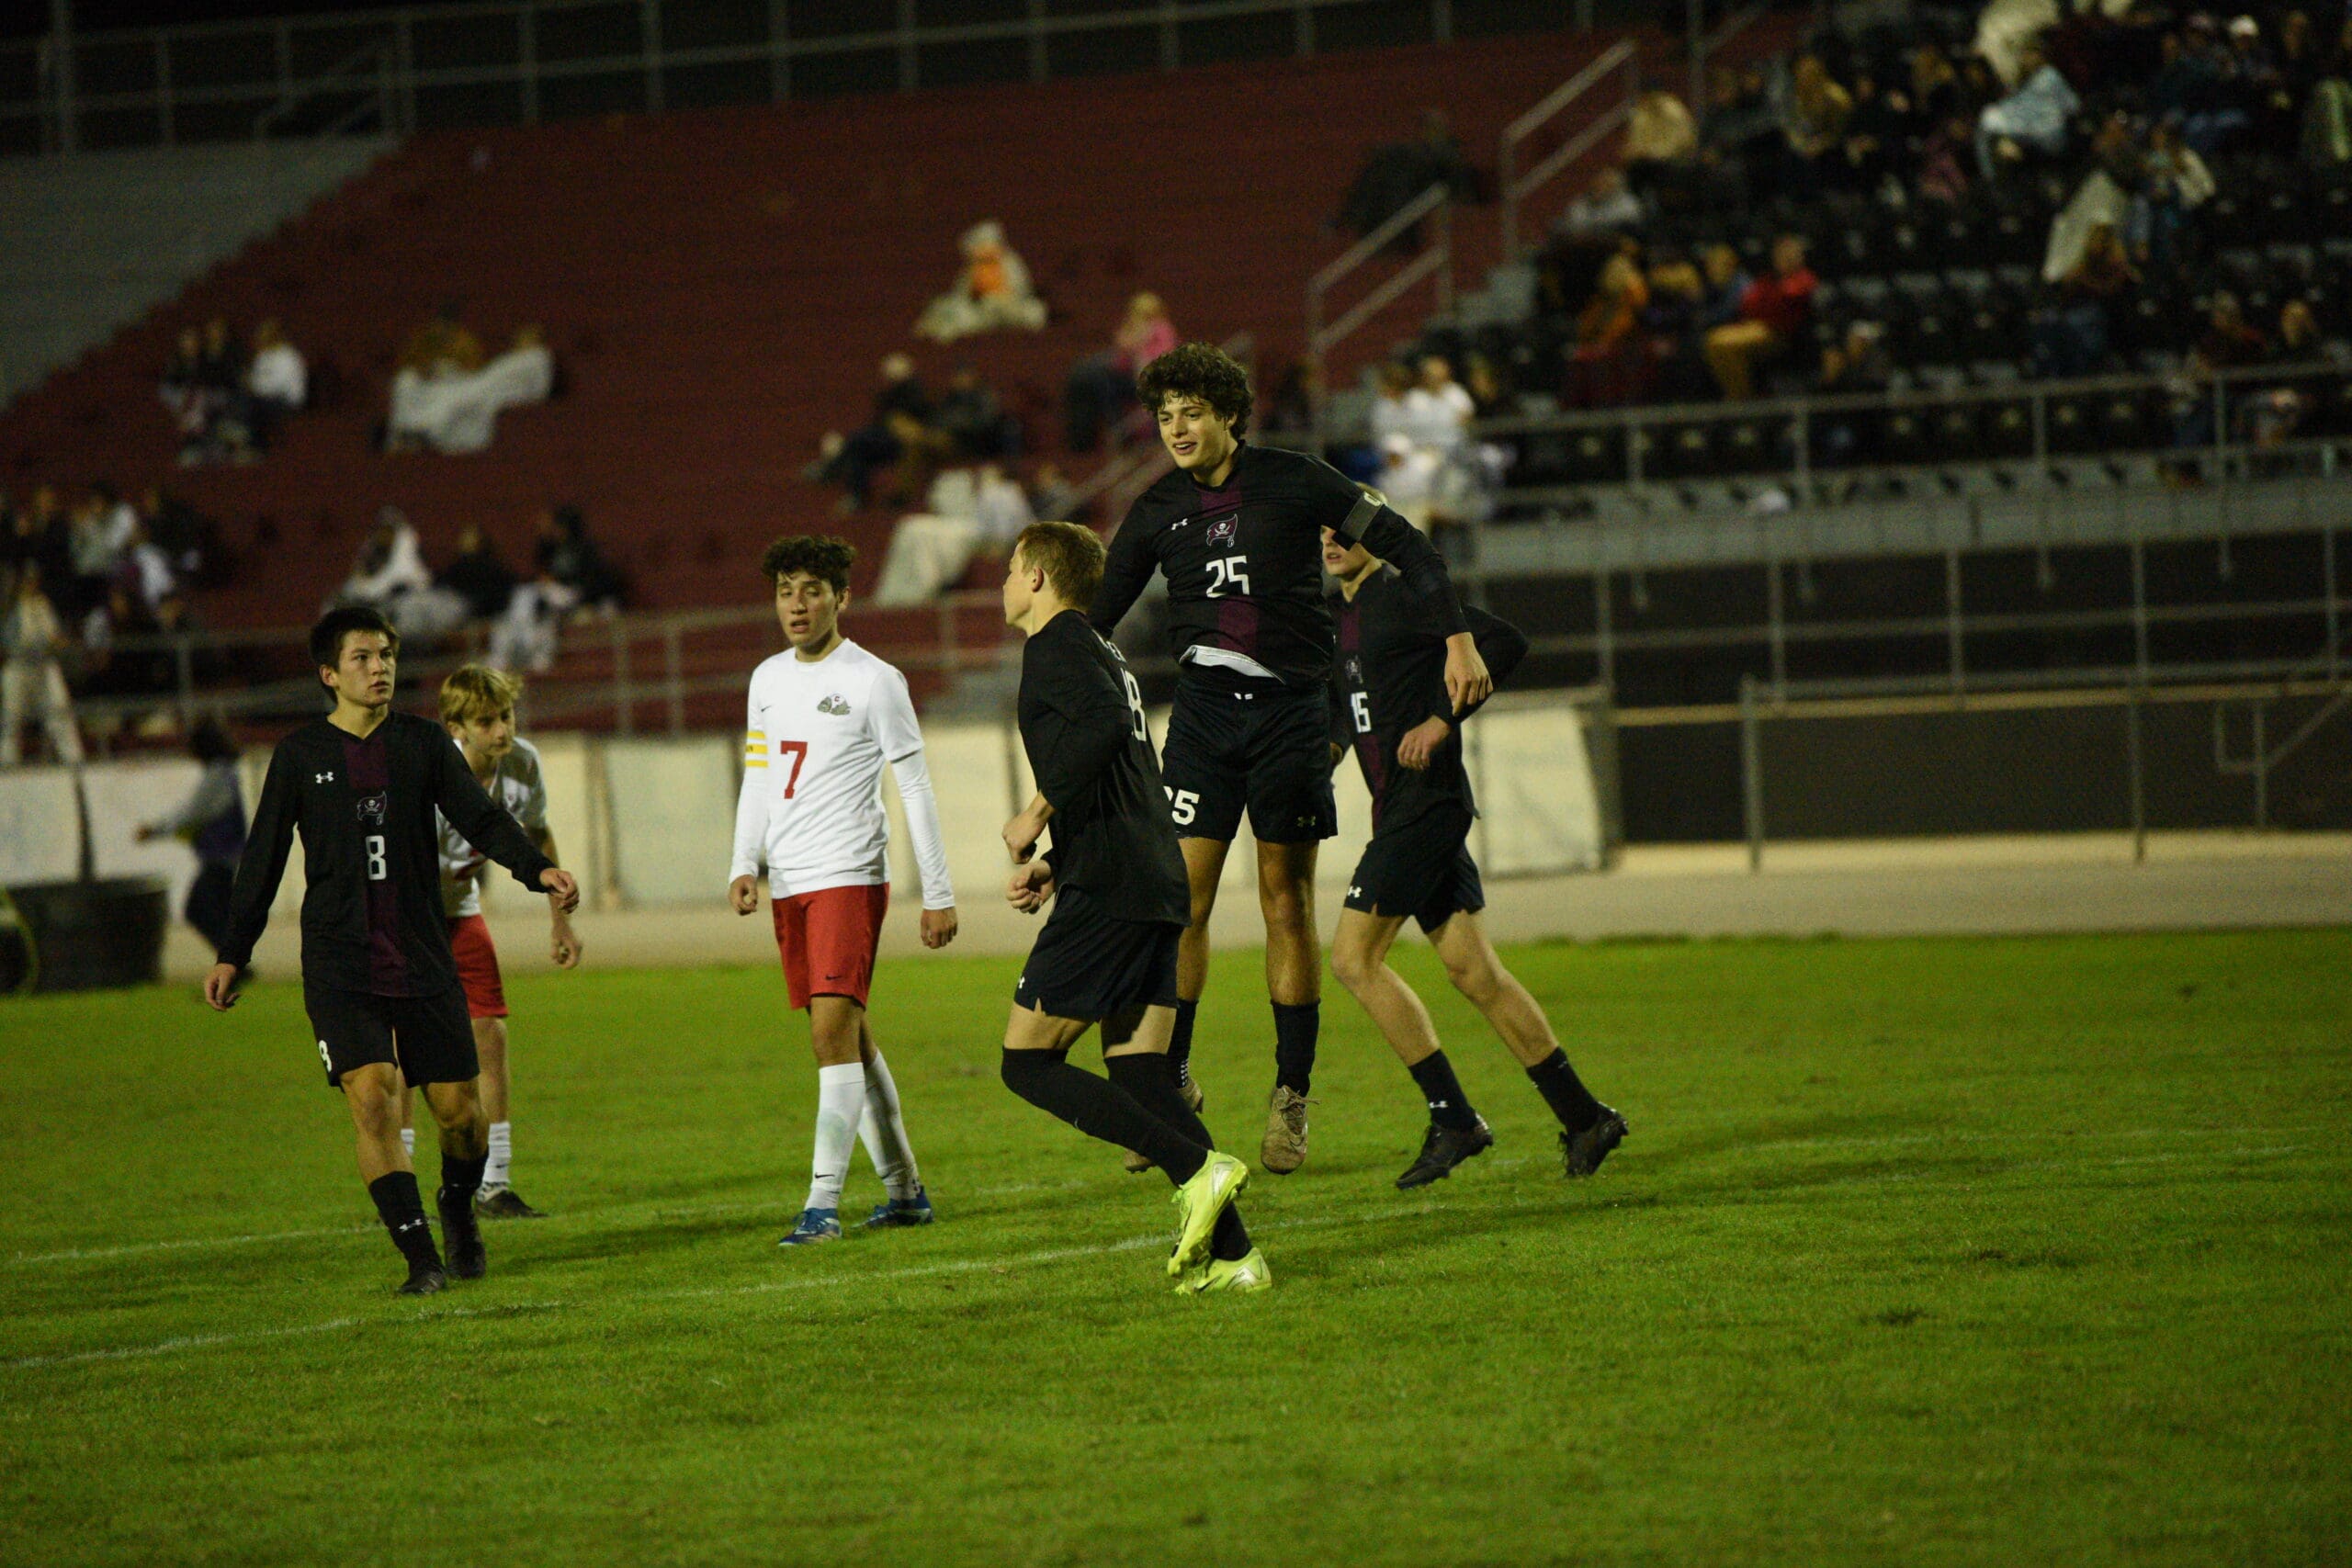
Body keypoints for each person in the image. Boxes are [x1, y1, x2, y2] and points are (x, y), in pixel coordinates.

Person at [1088, 342, 1490, 1175]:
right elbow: (1095, 615)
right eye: (1165, 417)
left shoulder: (1299, 479)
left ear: (1229, 414)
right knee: (1182, 901)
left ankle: (1291, 1095)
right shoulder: (1158, 506)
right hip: (1202, 719)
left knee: (1283, 900)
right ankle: (1172, 1082)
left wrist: (1456, 637)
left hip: (1290, 719)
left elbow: (1411, 545)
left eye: (1191, 412)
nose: (1177, 428)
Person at [205, 606, 582, 1295]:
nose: (379, 668)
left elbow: (482, 817)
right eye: (362, 658)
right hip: (340, 960)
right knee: (373, 1096)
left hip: (422, 951)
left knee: (459, 1113)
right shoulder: (299, 757)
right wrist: (234, 951)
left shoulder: (422, 744)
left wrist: (537, 871)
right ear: (329, 674)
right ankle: (421, 1261)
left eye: (385, 655)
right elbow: (261, 859)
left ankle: (457, 1206)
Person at [997, 521, 1264, 1292]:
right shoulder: (1099, 649)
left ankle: (1196, 1165)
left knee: (1027, 1062)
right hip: (1149, 876)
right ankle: (1237, 1259)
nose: (1006, 580)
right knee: (1143, 1074)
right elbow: (1127, 771)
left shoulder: (1055, 644)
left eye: (1015, 568)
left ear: (1042, 577)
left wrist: (1038, 813)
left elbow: (1111, 733)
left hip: (1114, 887)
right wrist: (1058, 863)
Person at [1321, 527, 1627, 1186]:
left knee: (1352, 958)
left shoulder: (1401, 595)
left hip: (1423, 808)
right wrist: (1331, 747)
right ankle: (1584, 1116)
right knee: (1473, 971)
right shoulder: (1341, 616)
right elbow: (1355, 705)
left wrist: (1440, 718)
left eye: (1344, 528)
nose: (1331, 539)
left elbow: (1504, 642)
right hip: (1404, 809)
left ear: (1374, 538)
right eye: (1320, 530)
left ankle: (1453, 1117)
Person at [729, 536, 958, 1246]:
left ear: (842, 597)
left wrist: (938, 890)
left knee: (831, 1032)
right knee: (850, 1038)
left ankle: (821, 1204)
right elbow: (761, 775)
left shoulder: (874, 680)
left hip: (849, 876)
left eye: (811, 590)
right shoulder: (765, 679)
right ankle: (905, 1190)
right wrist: (745, 860)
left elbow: (913, 785)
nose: (796, 605)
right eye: (785, 591)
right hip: (792, 881)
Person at [391, 665, 581, 1221]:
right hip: (410, 919)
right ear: (457, 728)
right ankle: (399, 1177)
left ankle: (494, 1183)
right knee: (405, 1052)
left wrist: (560, 921)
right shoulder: (427, 772)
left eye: (506, 716)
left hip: (462, 909)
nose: (501, 731)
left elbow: (538, 834)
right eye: (485, 721)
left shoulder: (521, 762)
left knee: (490, 1035)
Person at [136, 717, 246, 961]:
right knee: (219, 913)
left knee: (197, 910)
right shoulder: (226, 772)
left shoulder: (218, 775)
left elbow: (192, 813)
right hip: (227, 854)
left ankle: (234, 962)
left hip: (221, 856)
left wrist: (155, 830)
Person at [1703, 234, 1816, 400]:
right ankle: (1737, 395)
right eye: (1780, 254)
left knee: (1724, 344)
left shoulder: (1804, 279)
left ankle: (1744, 402)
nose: (1784, 258)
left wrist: (1767, 307)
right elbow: (1748, 305)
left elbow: (1783, 306)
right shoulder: (1769, 279)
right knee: (1713, 343)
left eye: (1789, 254)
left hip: (1782, 335)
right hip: (1758, 327)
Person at [1, 566, 85, 766]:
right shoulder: (11, 606)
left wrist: (59, 642)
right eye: (27, 580)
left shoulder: (43, 605)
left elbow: (55, 635)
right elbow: (8, 640)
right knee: (12, 714)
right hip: (19, 664)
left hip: (44, 664)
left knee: (59, 709)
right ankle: (6, 762)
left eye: (34, 580)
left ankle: (73, 759)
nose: (31, 584)